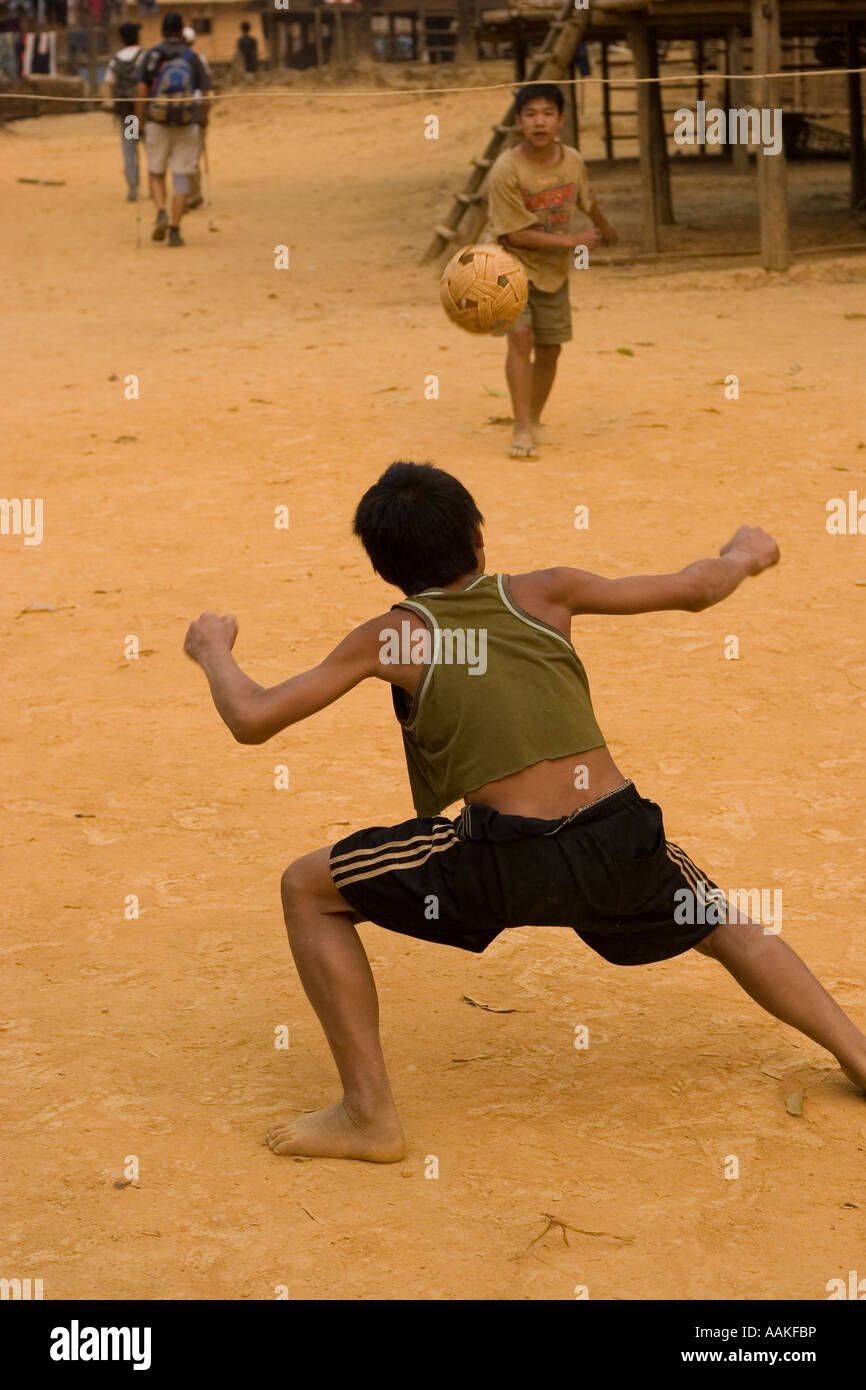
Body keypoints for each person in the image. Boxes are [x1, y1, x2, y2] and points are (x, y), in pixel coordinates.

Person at [183, 461, 866, 1163]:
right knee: (724, 925)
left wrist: (213, 649)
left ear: (386, 570)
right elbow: (697, 589)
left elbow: (252, 716)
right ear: (478, 537)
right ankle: (858, 1053)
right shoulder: (545, 592)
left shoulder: (391, 636)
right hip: (618, 838)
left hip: (504, 859)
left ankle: (369, 1116)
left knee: (307, 888)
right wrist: (744, 554)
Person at [485, 83, 618, 460]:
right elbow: (513, 232)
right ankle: (521, 426)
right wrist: (573, 240)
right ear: (518, 122)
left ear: (560, 120)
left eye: (547, 114)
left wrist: (604, 227)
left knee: (550, 348)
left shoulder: (572, 160)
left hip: (554, 272)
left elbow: (587, 199)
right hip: (509, 266)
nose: (539, 122)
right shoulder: (505, 169)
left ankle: (536, 417)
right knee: (521, 337)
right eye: (530, 114)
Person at [135, 12, 211, 247]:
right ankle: (176, 229)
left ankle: (160, 211)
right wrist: (203, 120)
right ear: (181, 31)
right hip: (187, 123)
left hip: (157, 122)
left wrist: (139, 120)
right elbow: (205, 96)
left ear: (162, 31)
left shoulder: (153, 55)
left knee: (156, 171)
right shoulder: (193, 58)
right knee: (181, 176)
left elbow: (141, 91)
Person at [104, 21, 145, 202]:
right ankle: (156, 185)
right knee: (151, 149)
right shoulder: (145, 56)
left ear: (121, 39)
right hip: (146, 111)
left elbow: (110, 82)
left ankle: (133, 187)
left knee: (130, 149)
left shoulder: (116, 59)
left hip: (128, 114)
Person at [181, 26, 211, 211]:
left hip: (180, 111)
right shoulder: (200, 60)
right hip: (198, 109)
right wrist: (206, 116)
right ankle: (194, 192)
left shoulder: (171, 60)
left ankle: (189, 194)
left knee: (182, 154)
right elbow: (207, 90)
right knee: (194, 153)